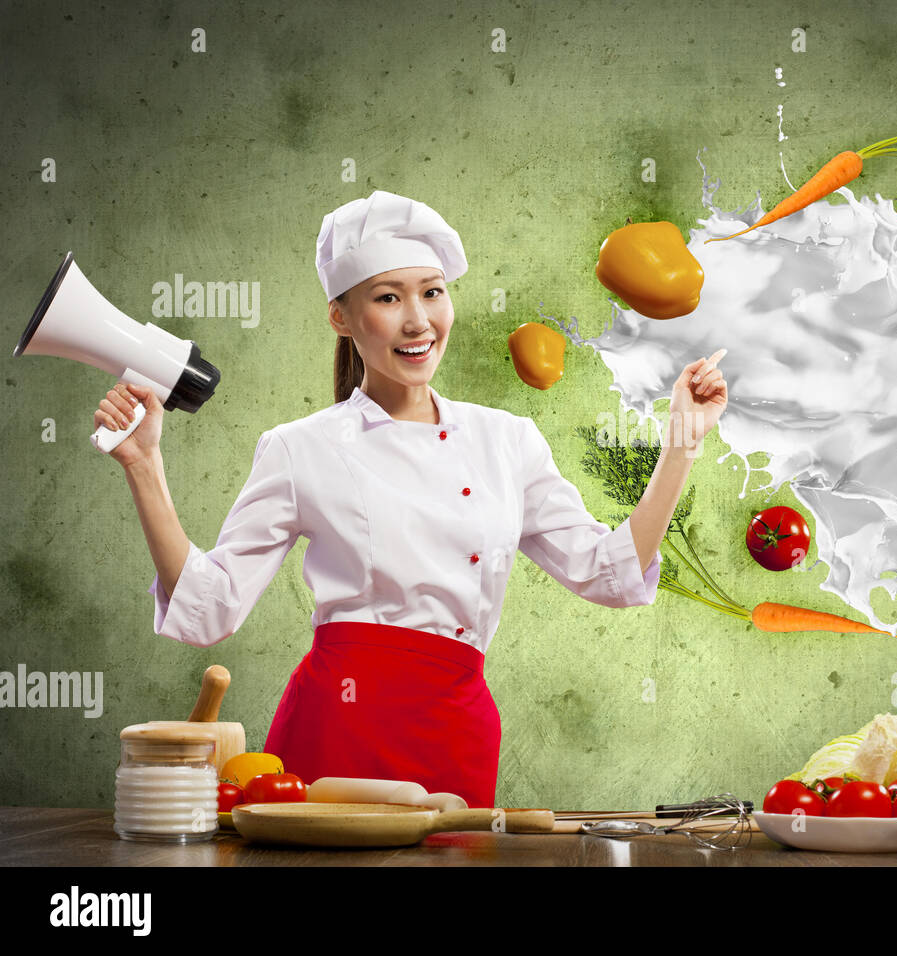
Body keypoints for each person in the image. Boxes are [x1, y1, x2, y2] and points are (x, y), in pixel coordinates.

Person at [98, 190, 728, 807]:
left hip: (457, 733)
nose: (418, 320)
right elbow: (212, 610)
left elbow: (607, 573)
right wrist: (145, 464)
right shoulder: (300, 448)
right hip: (337, 732)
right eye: (387, 297)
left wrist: (682, 442)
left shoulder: (507, 441)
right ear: (341, 317)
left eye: (432, 291)